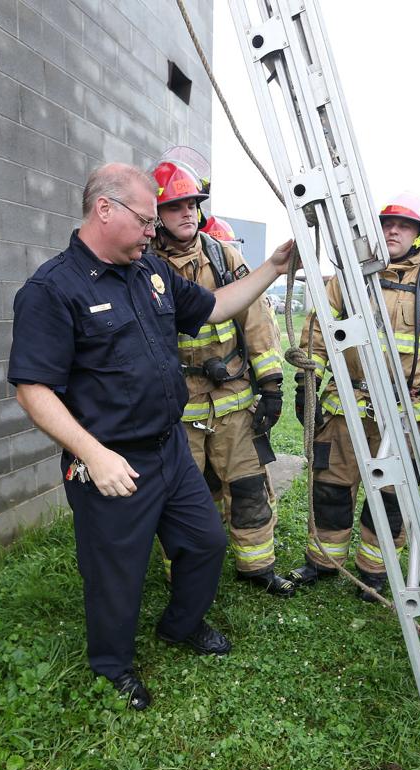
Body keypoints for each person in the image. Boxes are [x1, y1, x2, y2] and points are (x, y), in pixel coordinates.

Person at [8, 163, 294, 710]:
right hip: (111, 461)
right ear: (105, 209)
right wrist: (92, 453)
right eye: (144, 218)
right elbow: (33, 390)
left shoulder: (150, 275)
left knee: (206, 542)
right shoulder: (52, 289)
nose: (151, 230)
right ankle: (112, 665)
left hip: (170, 447)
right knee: (116, 571)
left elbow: (214, 306)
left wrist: (274, 268)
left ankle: (180, 626)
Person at [288, 191, 420, 600]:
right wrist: (306, 385)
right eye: (387, 223)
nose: (392, 230)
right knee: (330, 487)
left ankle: (374, 570)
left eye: (404, 226)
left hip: (404, 415)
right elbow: (317, 329)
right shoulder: (350, 278)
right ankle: (324, 560)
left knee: (390, 499)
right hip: (343, 408)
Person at [150, 153, 293, 597]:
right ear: (155, 214)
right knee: (185, 498)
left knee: (249, 487)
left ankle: (258, 567)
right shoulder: (145, 266)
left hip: (233, 401)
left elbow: (256, 321)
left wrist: (270, 385)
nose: (187, 213)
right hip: (178, 410)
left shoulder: (224, 255)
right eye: (175, 207)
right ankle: (187, 578)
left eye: (192, 204)